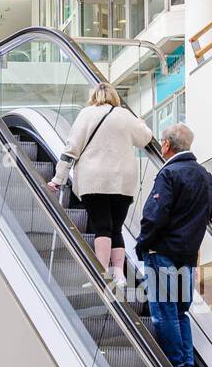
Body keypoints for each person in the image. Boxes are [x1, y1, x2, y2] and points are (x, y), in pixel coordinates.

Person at [136, 123, 212, 367]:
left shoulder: (169, 174)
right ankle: (185, 365)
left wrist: (143, 242)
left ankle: (176, 366)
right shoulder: (202, 174)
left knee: (164, 311)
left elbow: (155, 214)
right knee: (179, 310)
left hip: (162, 251)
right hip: (187, 255)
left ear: (165, 145)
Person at [47, 82, 152, 291]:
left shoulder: (86, 114)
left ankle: (103, 273)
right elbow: (145, 138)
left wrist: (57, 179)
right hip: (122, 181)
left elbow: (71, 149)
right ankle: (120, 275)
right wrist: (139, 121)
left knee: (101, 226)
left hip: (94, 179)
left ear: (94, 96)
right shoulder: (124, 115)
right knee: (116, 228)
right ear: (114, 96)